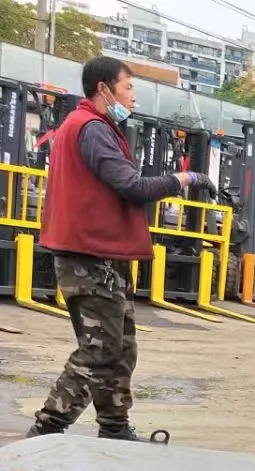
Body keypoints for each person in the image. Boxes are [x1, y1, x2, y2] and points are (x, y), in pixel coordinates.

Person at [26, 56, 212, 440]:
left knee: (121, 348)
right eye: (128, 88)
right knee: (99, 351)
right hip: (89, 259)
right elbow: (133, 187)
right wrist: (184, 177)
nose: (132, 98)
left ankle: (114, 427)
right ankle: (46, 429)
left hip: (104, 258)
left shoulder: (97, 128)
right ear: (104, 89)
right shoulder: (91, 128)